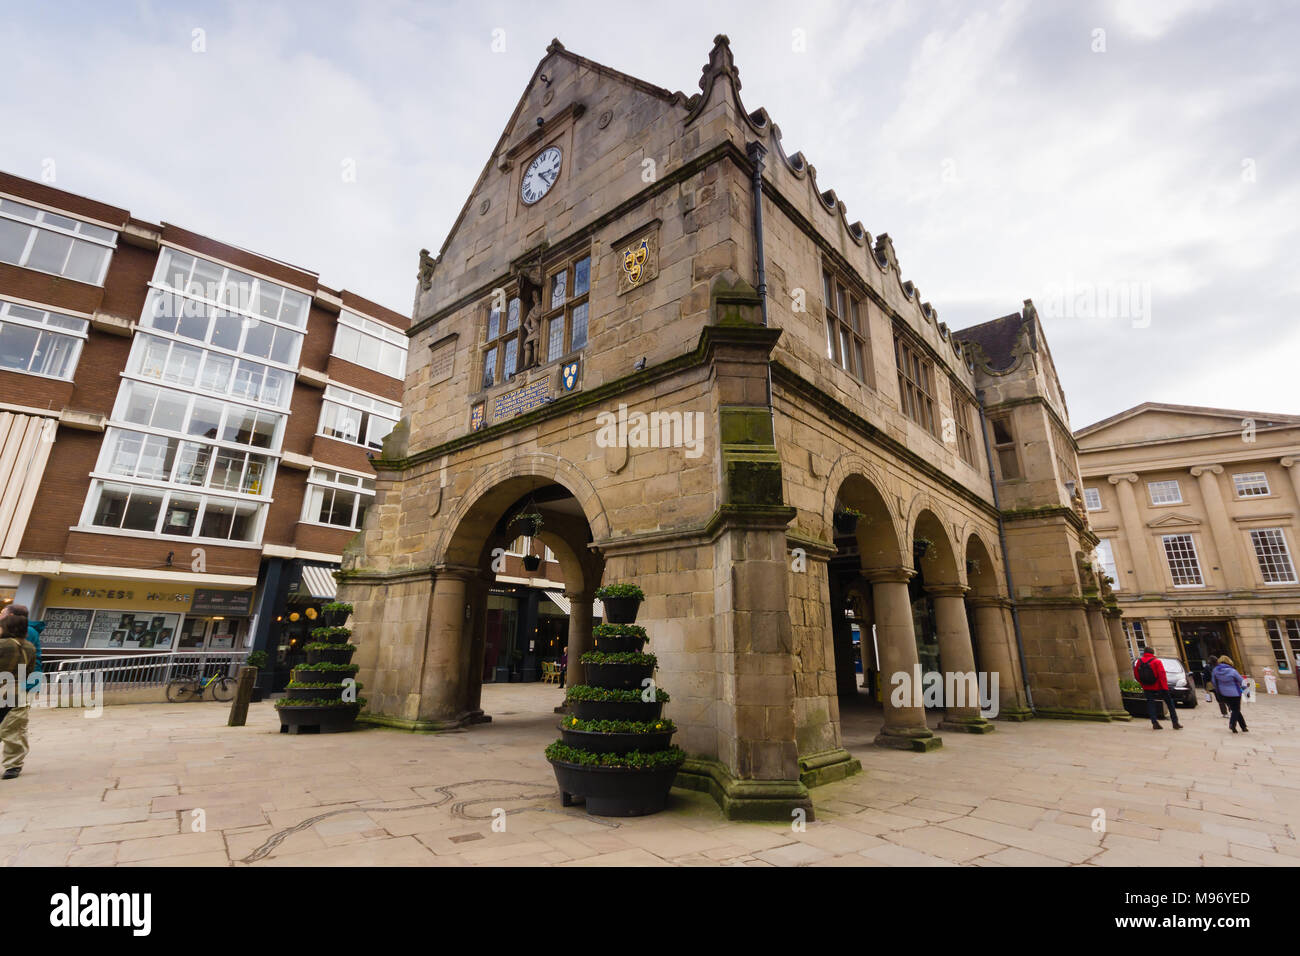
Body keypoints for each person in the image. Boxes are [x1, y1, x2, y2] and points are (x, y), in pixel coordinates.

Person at [0, 604, 39, 779]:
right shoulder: (30, 647)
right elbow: (30, 670)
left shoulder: (3, 645)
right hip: (19, 691)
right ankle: (13, 766)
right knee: (14, 729)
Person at [1134, 648, 1182, 730]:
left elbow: (1136, 675)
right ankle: (1175, 722)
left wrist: (1143, 684)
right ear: (1152, 653)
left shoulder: (1139, 662)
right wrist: (1165, 687)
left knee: (1151, 704)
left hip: (1147, 687)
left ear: (1144, 653)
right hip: (1160, 687)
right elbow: (1162, 675)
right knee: (1170, 704)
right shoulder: (1156, 661)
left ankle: (1154, 723)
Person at [1212, 656, 1248, 734]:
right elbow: (1242, 681)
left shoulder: (1215, 670)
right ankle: (1232, 724)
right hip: (1235, 693)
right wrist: (1246, 691)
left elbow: (1214, 682)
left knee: (1234, 709)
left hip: (1223, 693)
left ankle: (1243, 726)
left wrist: (1218, 690)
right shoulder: (1232, 671)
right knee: (1236, 709)